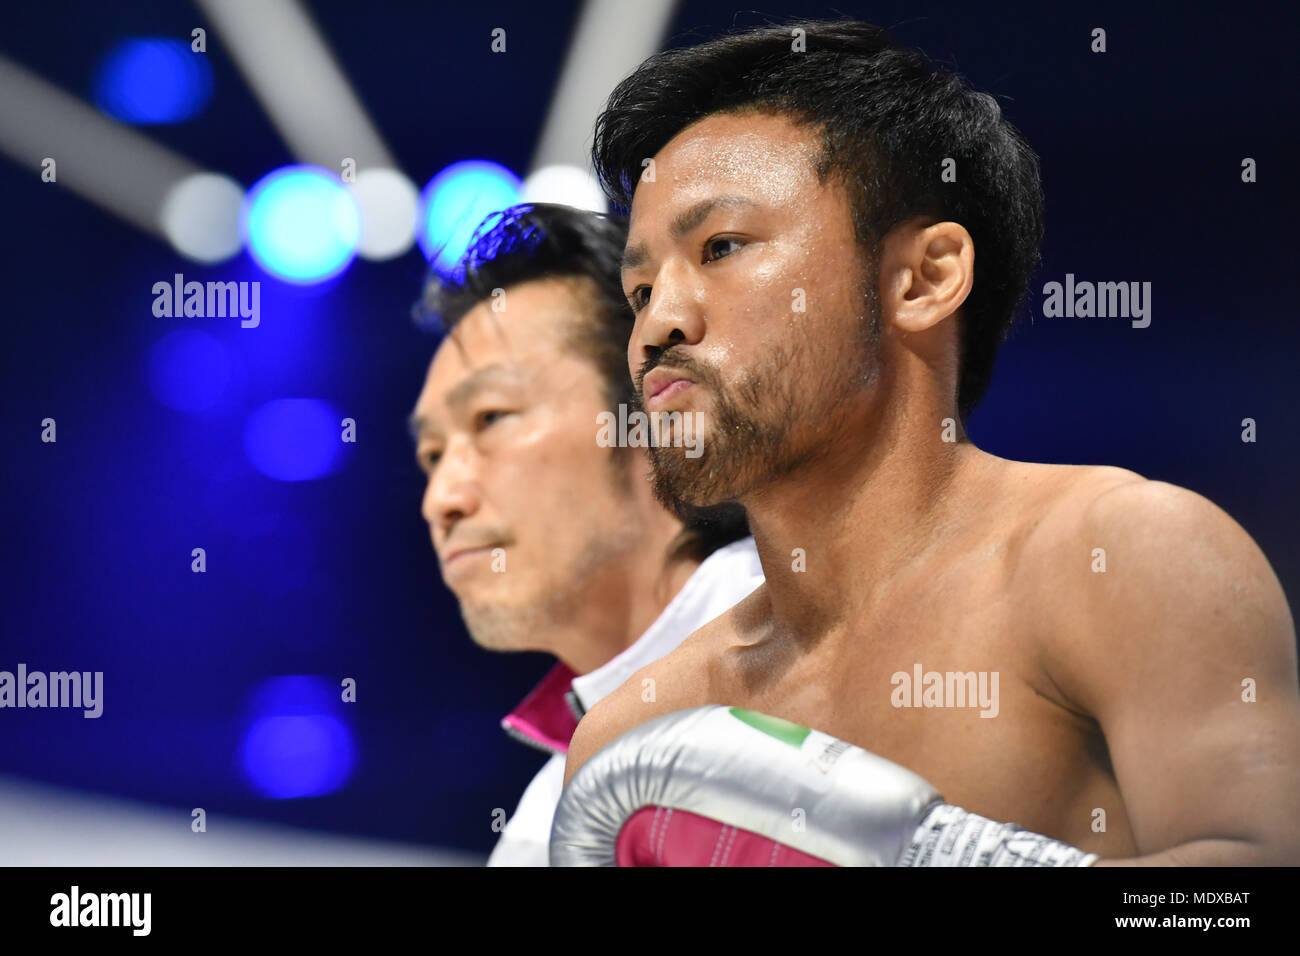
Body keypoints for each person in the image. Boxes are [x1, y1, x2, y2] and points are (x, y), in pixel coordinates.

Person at [558, 19, 1300, 865]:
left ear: (924, 278)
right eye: (641, 286)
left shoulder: (1123, 556)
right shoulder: (644, 726)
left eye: (721, 246)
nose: (658, 322)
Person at [408, 203, 763, 866]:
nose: (442, 498)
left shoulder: (843, 654)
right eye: (431, 455)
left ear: (656, 414)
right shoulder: (546, 820)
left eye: (490, 417)